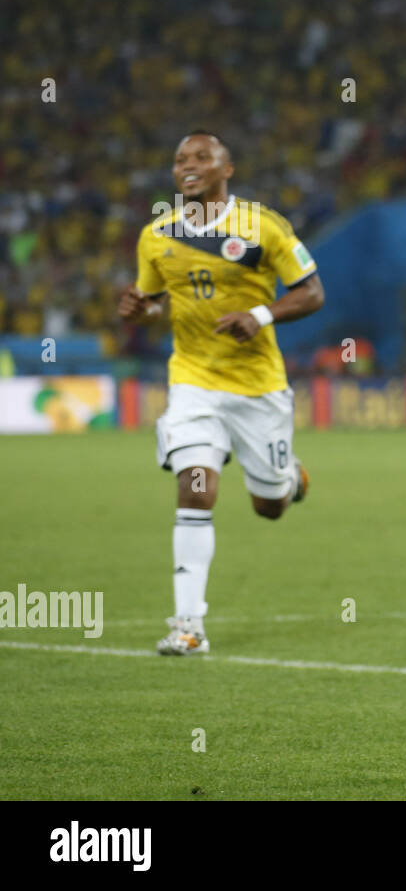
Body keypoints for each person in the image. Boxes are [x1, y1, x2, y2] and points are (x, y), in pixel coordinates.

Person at [119, 131, 325, 654]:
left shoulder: (263, 226)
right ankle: (188, 626)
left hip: (258, 388)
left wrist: (259, 315)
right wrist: (142, 310)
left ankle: (286, 479)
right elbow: (154, 300)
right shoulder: (156, 236)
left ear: (226, 169)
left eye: (201, 157)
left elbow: (311, 292)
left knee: (269, 507)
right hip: (193, 382)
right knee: (196, 489)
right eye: (180, 159)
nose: (188, 166)